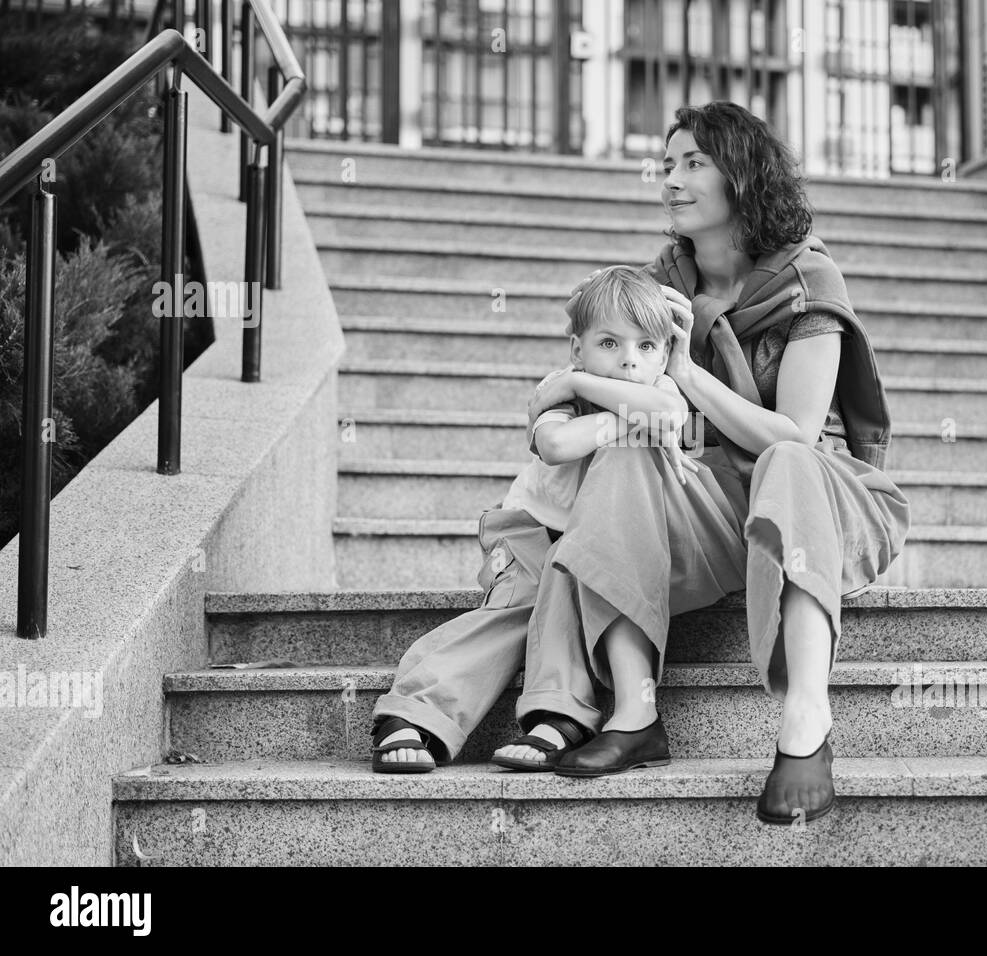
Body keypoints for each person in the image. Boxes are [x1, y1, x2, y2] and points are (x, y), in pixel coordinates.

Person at [499, 101, 911, 825]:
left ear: (742, 177)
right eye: (667, 164)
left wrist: (686, 371)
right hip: (715, 500)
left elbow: (793, 433)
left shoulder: (809, 285)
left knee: (787, 460)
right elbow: (619, 385)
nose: (671, 180)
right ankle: (635, 714)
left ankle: (806, 717)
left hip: (815, 500)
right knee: (628, 447)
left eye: (693, 163)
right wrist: (572, 383)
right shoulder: (662, 283)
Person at [370, 265, 698, 772]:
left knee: (568, 591)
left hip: (596, 548)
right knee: (515, 611)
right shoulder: (561, 388)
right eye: (609, 343)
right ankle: (417, 708)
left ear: (664, 354)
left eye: (646, 346)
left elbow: (671, 414)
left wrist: (636, 409)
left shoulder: (662, 390)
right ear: (577, 350)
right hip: (530, 535)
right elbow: (556, 443)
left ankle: (560, 714)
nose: (629, 360)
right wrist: (627, 418)